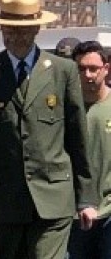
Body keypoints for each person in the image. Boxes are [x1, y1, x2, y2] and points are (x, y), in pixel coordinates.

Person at [0, 0, 96, 259]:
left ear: (37, 29)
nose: (15, 36)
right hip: (2, 203)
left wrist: (86, 198)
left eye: (23, 29)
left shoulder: (63, 71)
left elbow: (77, 138)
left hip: (52, 199)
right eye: (8, 29)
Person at [70, 41, 111, 259]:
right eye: (81, 68)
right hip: (75, 214)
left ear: (106, 68)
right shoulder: (65, 109)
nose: (88, 74)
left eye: (93, 68)